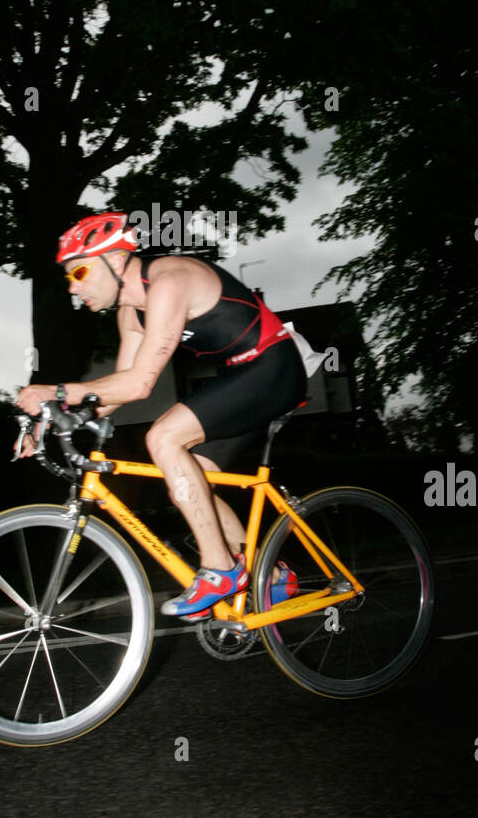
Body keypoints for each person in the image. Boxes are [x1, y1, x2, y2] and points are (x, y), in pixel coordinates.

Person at [16, 211, 307, 618]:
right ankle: (268, 573)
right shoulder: (129, 313)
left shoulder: (170, 281)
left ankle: (220, 569)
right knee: (188, 480)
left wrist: (60, 390)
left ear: (116, 261)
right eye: (68, 277)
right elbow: (118, 391)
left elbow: (141, 384)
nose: (73, 287)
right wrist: (53, 417)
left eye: (79, 272)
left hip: (273, 367)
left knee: (163, 437)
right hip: (238, 378)